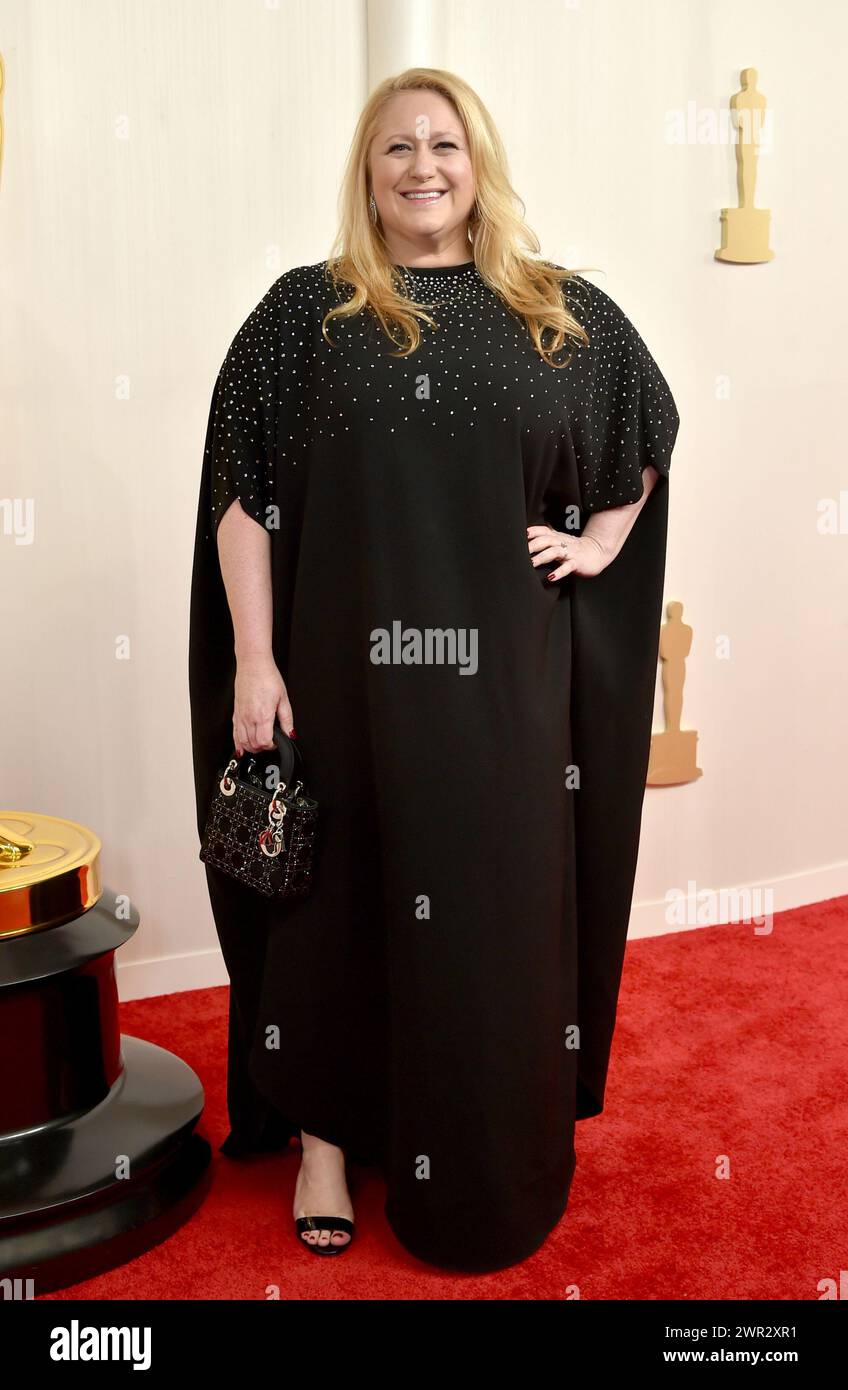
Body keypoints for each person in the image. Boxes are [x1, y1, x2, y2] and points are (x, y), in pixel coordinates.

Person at [188, 66, 680, 1272]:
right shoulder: (306, 314)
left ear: (478, 163)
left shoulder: (556, 313)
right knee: (335, 907)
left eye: (444, 144)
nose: (421, 165)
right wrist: (252, 660)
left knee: (491, 919)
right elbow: (242, 500)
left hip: (501, 697)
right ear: (368, 172)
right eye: (396, 145)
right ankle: (321, 1140)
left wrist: (601, 537)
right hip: (340, 683)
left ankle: (480, 1148)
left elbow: (643, 434)